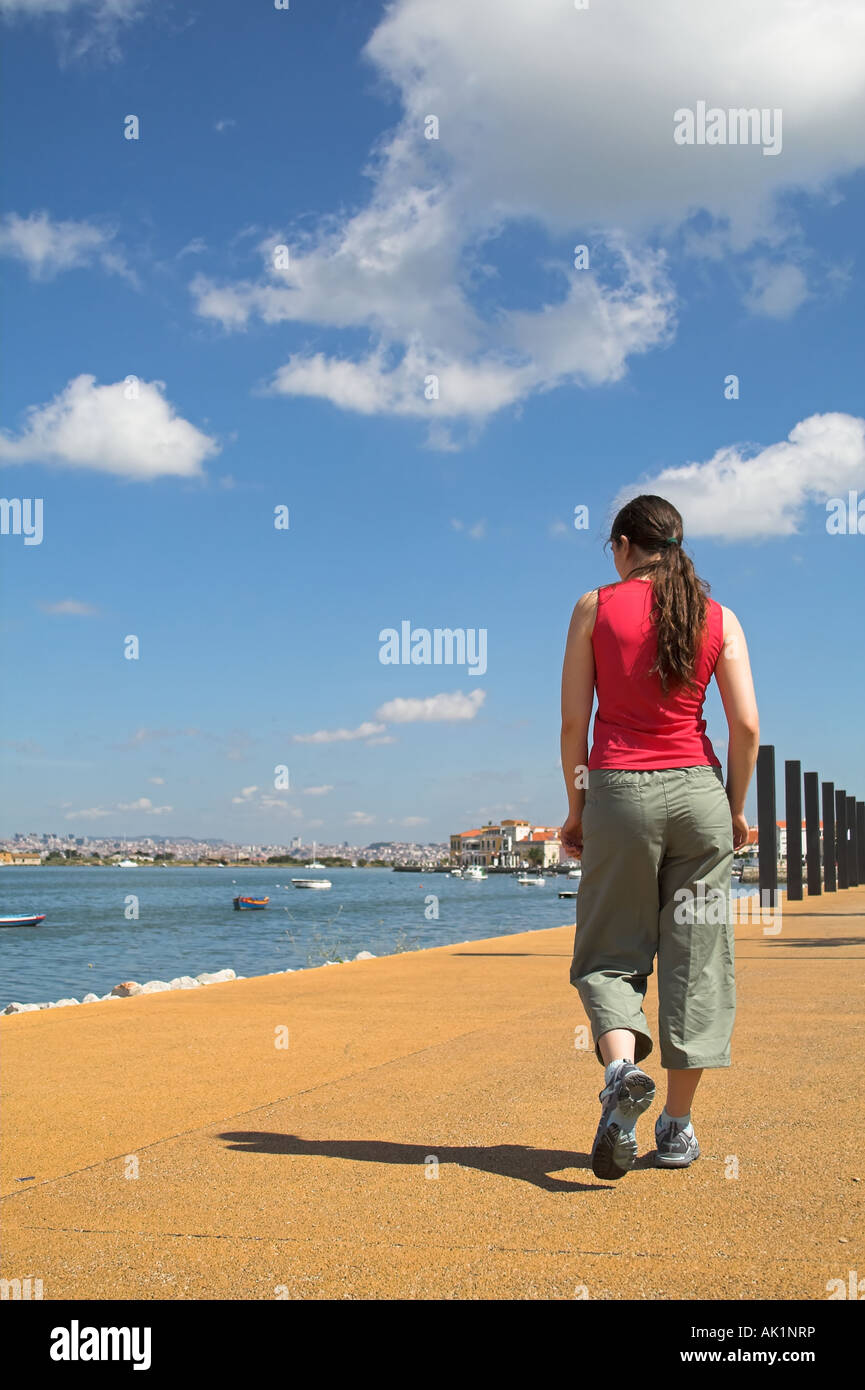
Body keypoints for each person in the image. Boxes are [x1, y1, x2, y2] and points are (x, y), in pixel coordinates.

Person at [560, 494, 759, 1180]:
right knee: (696, 961)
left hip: (617, 789)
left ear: (622, 545)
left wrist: (576, 811)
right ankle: (674, 1128)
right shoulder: (718, 615)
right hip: (700, 795)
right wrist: (732, 809)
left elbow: (571, 728)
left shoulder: (593, 607)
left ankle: (620, 1070)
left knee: (607, 953)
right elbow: (747, 728)